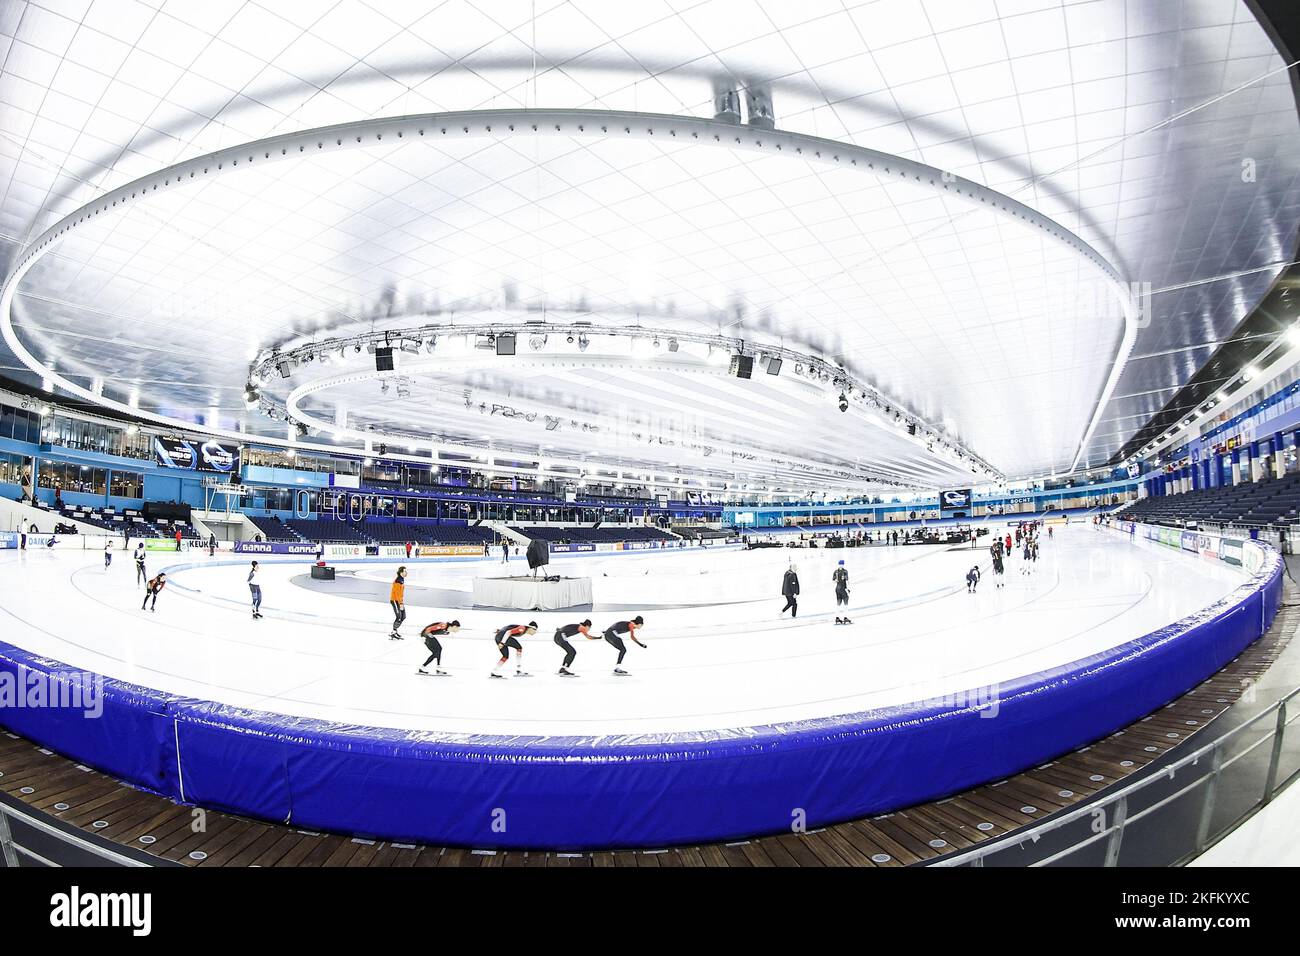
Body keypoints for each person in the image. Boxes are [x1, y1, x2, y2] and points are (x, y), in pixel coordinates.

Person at [389, 566, 408, 640]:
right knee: (399, 617)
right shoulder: (398, 581)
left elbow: (400, 593)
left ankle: (395, 631)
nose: (406, 573)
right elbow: (397, 594)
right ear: (401, 573)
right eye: (405, 571)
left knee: (403, 616)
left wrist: (401, 602)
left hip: (399, 601)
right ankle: (393, 632)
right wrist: (400, 604)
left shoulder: (402, 580)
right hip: (395, 600)